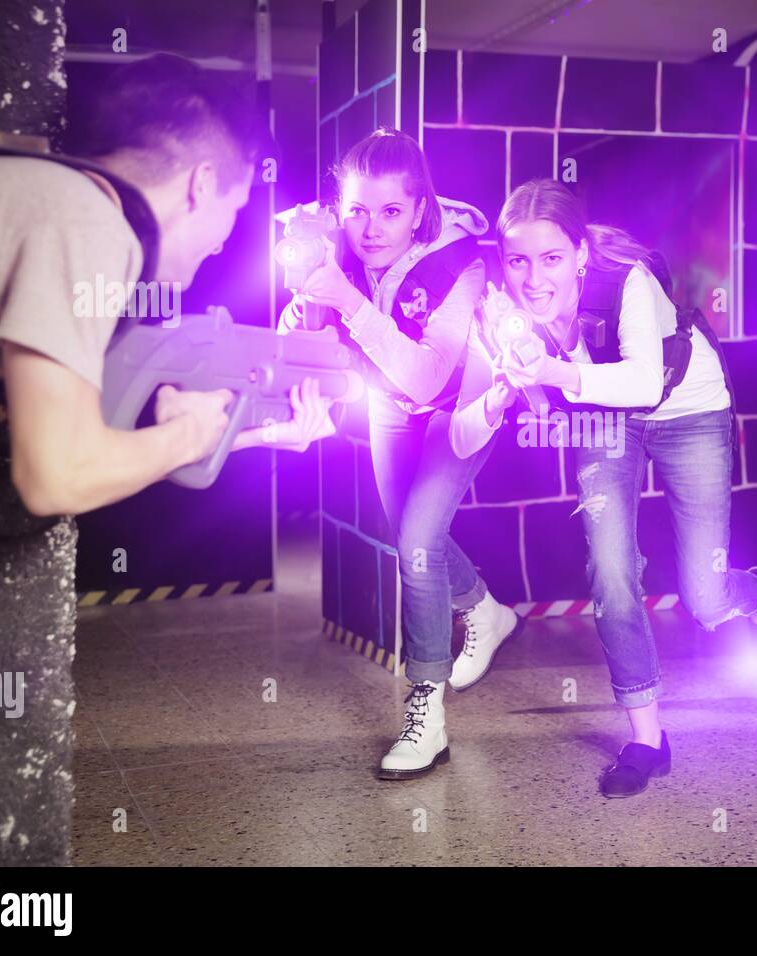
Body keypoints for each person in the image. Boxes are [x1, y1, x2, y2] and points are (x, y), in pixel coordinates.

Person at [0, 54, 330, 864]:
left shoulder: (44, 197)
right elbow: (55, 475)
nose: (219, 245)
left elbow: (90, 440)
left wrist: (246, 435)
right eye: (235, 210)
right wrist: (183, 433)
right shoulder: (87, 223)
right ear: (199, 183)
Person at [450, 179, 757, 798]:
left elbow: (645, 384)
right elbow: (498, 422)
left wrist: (548, 371)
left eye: (550, 259)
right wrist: (511, 385)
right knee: (611, 569)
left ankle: (756, 599)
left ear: (578, 254)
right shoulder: (509, 312)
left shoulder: (627, 280)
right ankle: (648, 738)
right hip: (604, 416)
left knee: (705, 599)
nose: (532, 277)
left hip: (689, 408)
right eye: (517, 260)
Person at [283, 128, 519, 781]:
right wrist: (303, 303)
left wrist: (348, 302)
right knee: (409, 536)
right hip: (390, 401)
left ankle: (427, 716)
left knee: (417, 544)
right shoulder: (338, 244)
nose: (371, 228)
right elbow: (315, 329)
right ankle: (485, 610)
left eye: (390, 211)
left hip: (459, 405)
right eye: (356, 210)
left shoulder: (459, 263)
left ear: (419, 209)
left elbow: (424, 374)